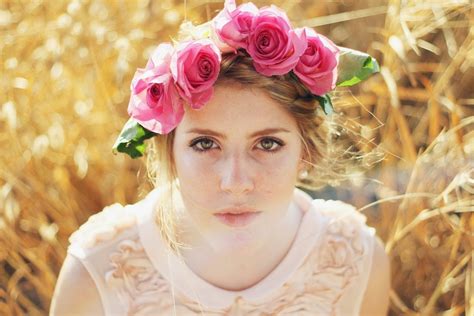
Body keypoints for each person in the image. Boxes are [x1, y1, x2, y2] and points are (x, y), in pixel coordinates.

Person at [51, 0, 390, 315]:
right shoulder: (97, 273)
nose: (236, 183)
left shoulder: (356, 261)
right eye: (204, 144)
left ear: (306, 151)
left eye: (268, 144)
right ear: (168, 150)